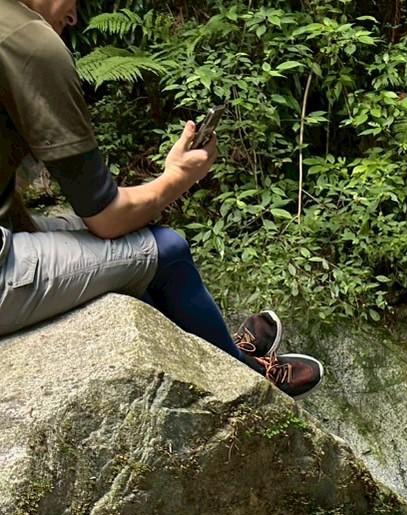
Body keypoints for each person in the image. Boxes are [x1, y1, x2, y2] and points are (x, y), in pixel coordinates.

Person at [0, 0, 322, 395]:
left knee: (115, 241)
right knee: (164, 249)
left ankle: (207, 348)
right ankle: (248, 375)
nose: (74, 17)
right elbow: (106, 216)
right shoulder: (31, 43)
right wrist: (180, 176)